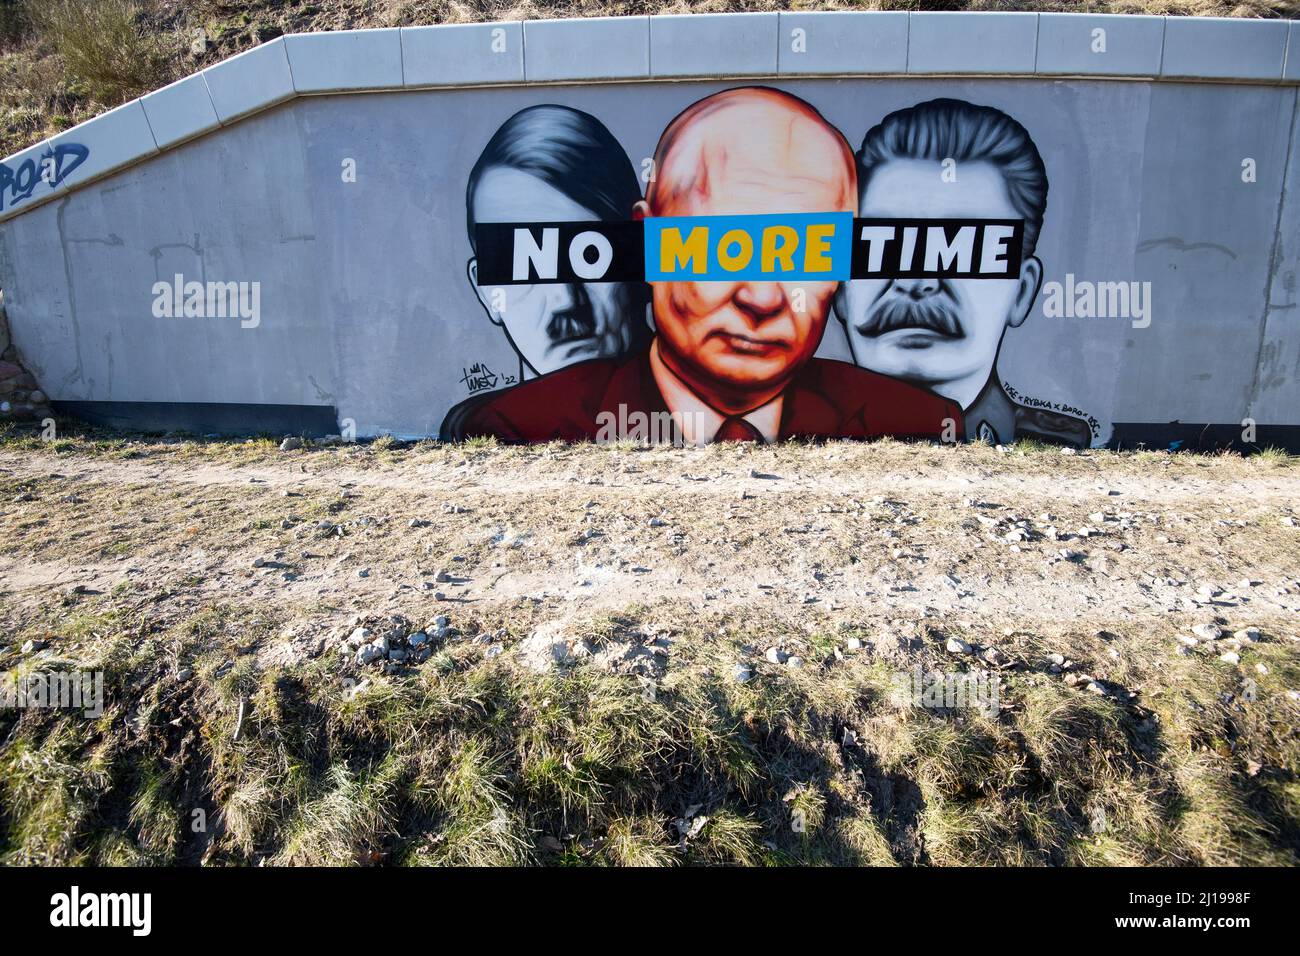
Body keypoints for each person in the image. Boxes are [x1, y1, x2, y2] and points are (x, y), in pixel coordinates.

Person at [448, 87, 961, 445]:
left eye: (807, 252)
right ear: (650, 244)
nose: (762, 298)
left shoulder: (919, 426)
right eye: (723, 249)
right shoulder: (514, 431)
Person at [834, 98, 1090, 447]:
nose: (916, 281)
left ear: (1022, 292)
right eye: (883, 248)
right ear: (839, 288)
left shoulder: (1060, 443)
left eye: (966, 250)